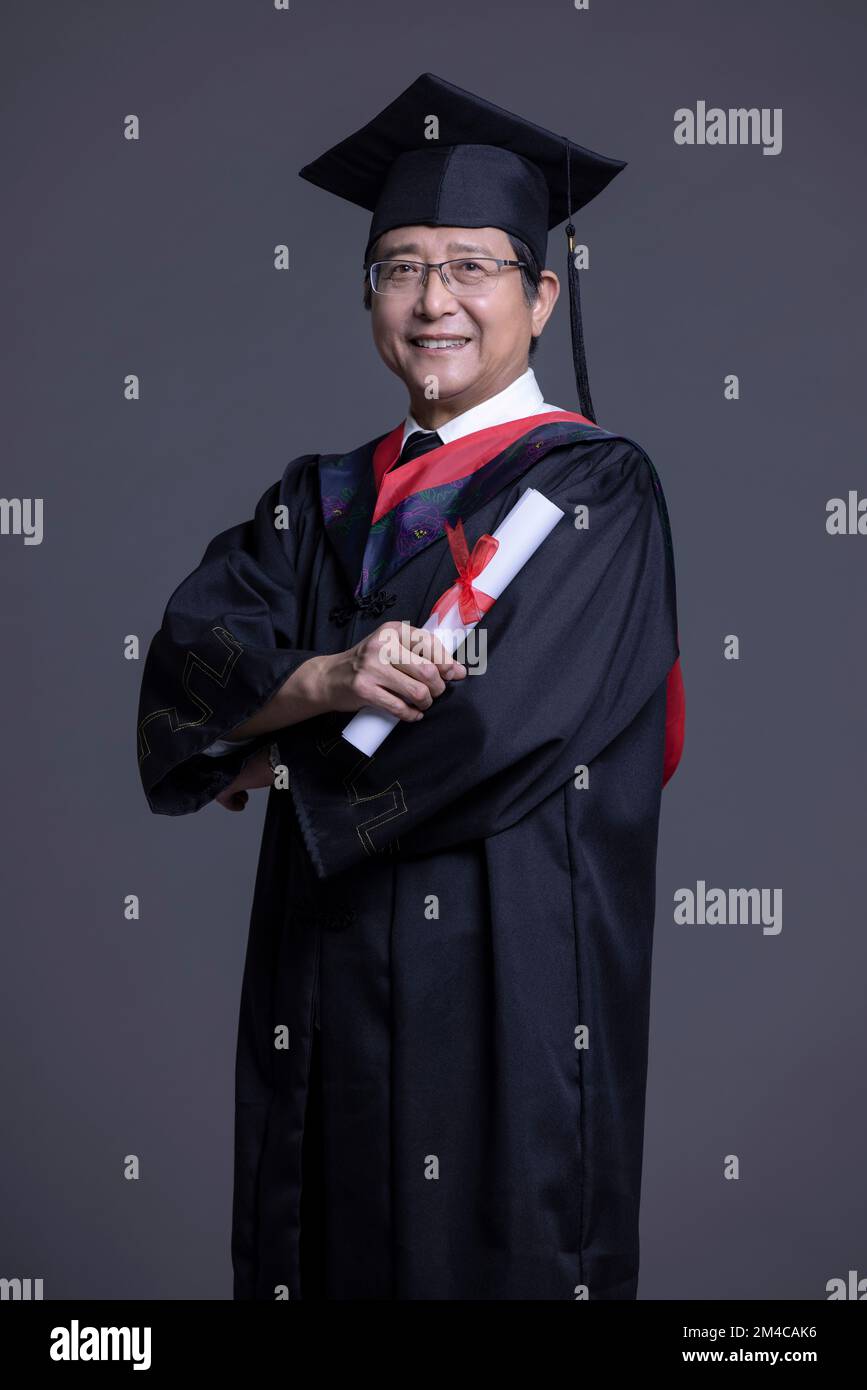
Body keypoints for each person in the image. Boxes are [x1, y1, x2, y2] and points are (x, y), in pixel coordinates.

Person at [136, 71, 685, 1301]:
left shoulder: (596, 493)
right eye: (400, 268)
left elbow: (492, 717)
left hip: (505, 983)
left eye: (473, 266)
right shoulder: (316, 497)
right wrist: (329, 675)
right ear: (371, 297)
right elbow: (189, 660)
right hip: (320, 982)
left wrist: (276, 737)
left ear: (541, 296)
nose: (435, 301)